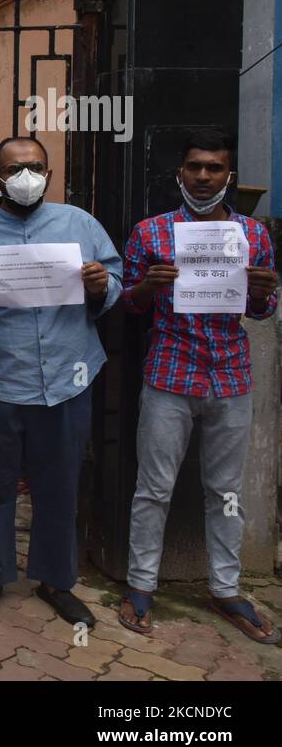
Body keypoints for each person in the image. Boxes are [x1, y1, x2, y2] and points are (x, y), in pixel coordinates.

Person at [0, 135, 121, 623]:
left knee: (59, 485)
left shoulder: (80, 224)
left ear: (49, 174)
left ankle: (56, 581)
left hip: (68, 378)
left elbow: (116, 279)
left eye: (37, 167)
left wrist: (100, 284)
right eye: (15, 169)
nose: (27, 177)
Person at [119, 130, 279, 643]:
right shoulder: (152, 232)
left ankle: (226, 588)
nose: (204, 177)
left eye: (214, 168)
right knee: (153, 488)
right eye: (195, 167)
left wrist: (261, 292)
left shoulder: (252, 234)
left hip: (231, 376)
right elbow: (128, 304)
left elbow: (262, 309)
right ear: (180, 173)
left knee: (226, 491)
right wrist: (149, 285)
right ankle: (141, 586)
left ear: (228, 175)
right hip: (169, 374)